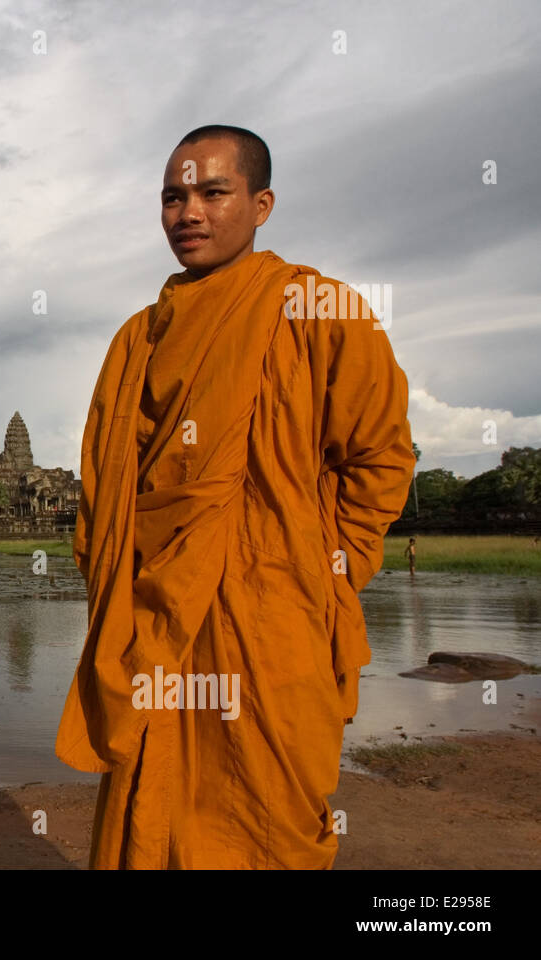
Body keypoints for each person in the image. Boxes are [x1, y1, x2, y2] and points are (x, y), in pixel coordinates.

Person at [56, 125, 416, 869]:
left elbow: (382, 456)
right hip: (155, 617)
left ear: (261, 204)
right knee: (154, 799)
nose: (188, 212)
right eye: (172, 197)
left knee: (272, 811)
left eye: (212, 192)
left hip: (275, 613)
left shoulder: (318, 309)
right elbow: (104, 492)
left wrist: (327, 566)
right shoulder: (137, 341)